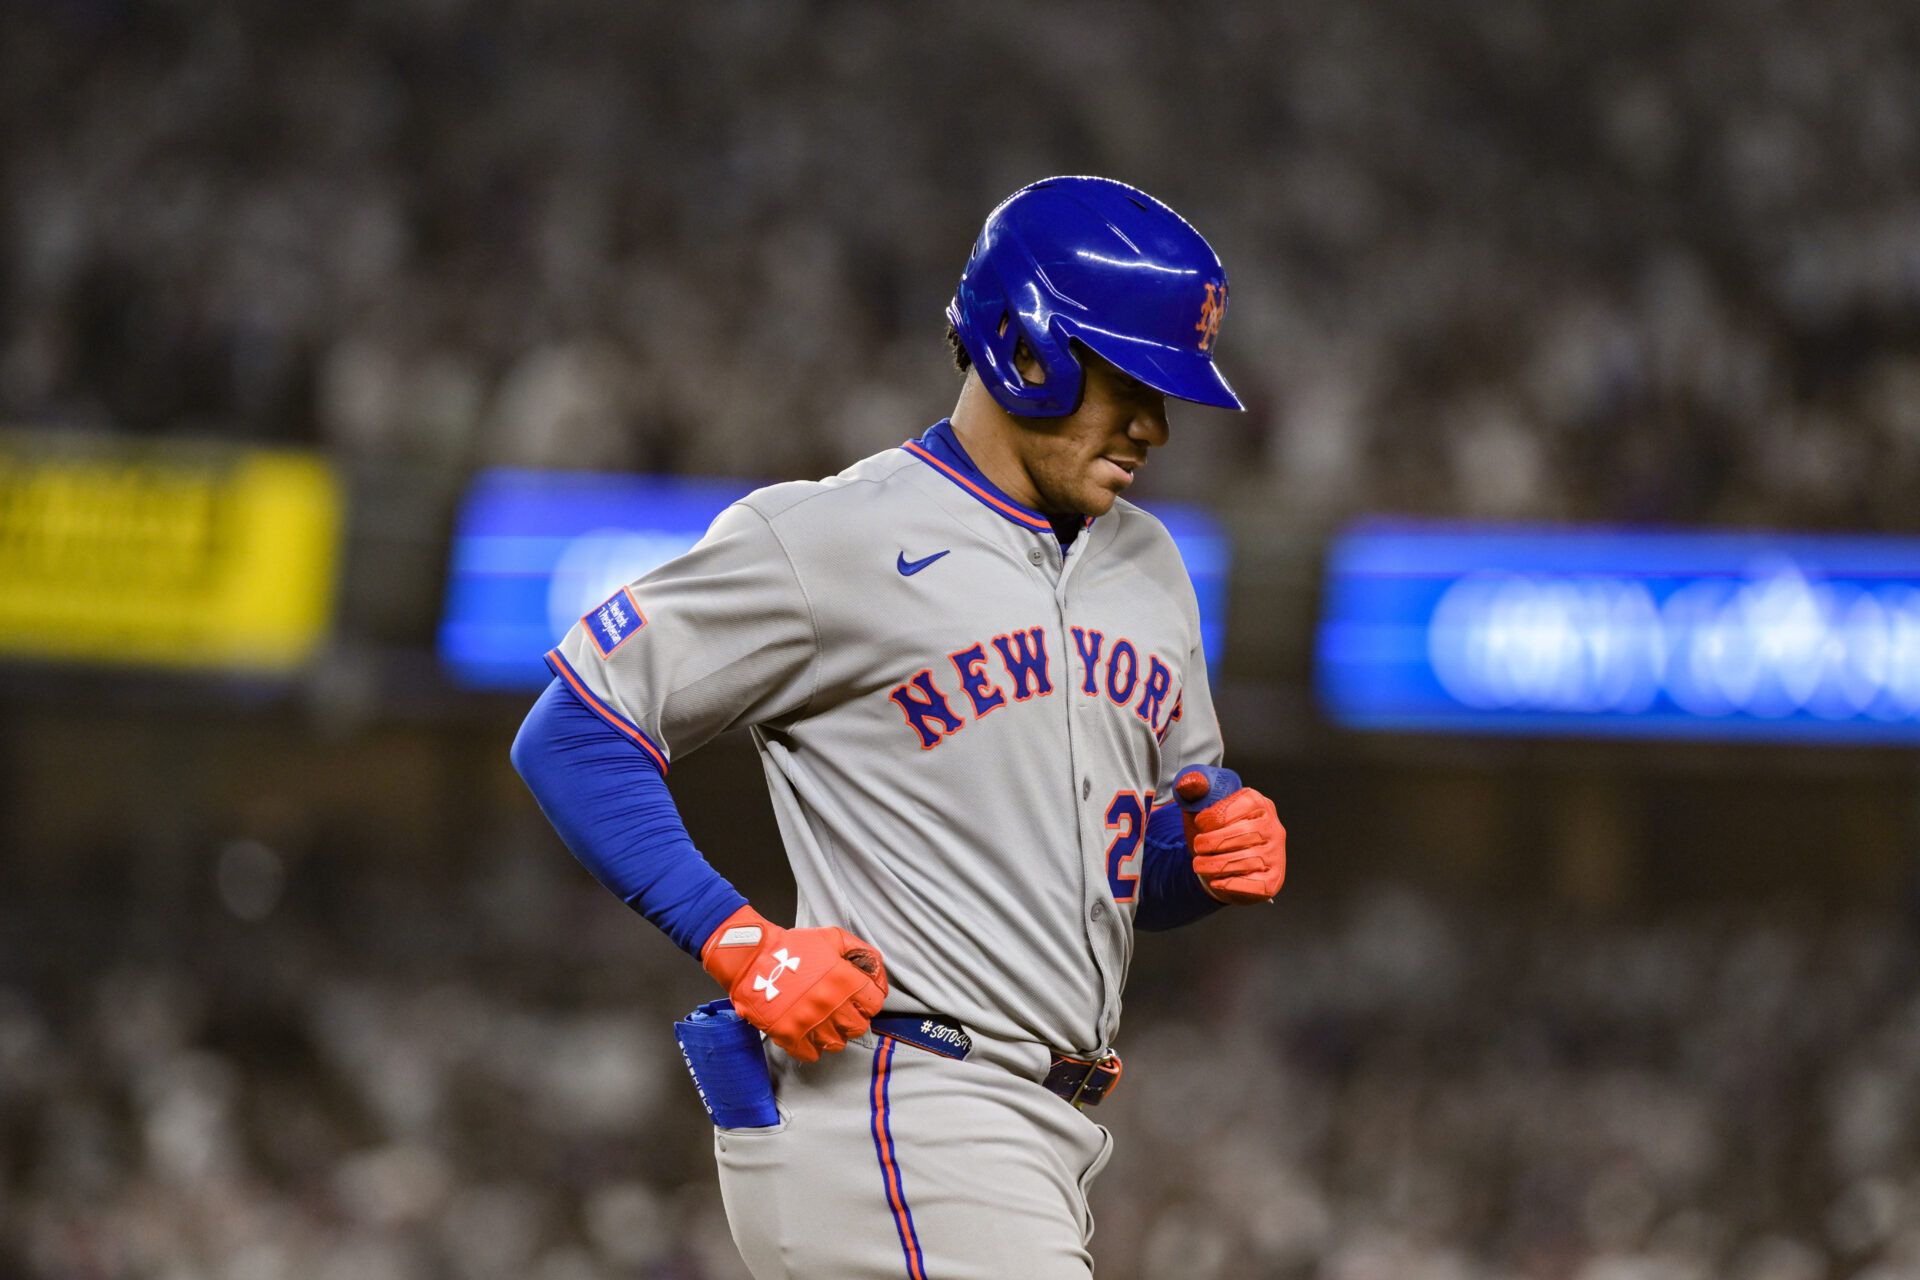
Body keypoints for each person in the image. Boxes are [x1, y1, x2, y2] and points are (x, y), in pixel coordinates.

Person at [511, 175, 1288, 1279]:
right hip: (899, 1095)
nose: (1155, 426)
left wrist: (1195, 860)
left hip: (1047, 1126)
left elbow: (1111, 868)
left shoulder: (1150, 569)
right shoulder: (833, 537)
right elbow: (573, 729)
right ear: (1028, 345)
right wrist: (742, 942)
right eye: (1130, 382)